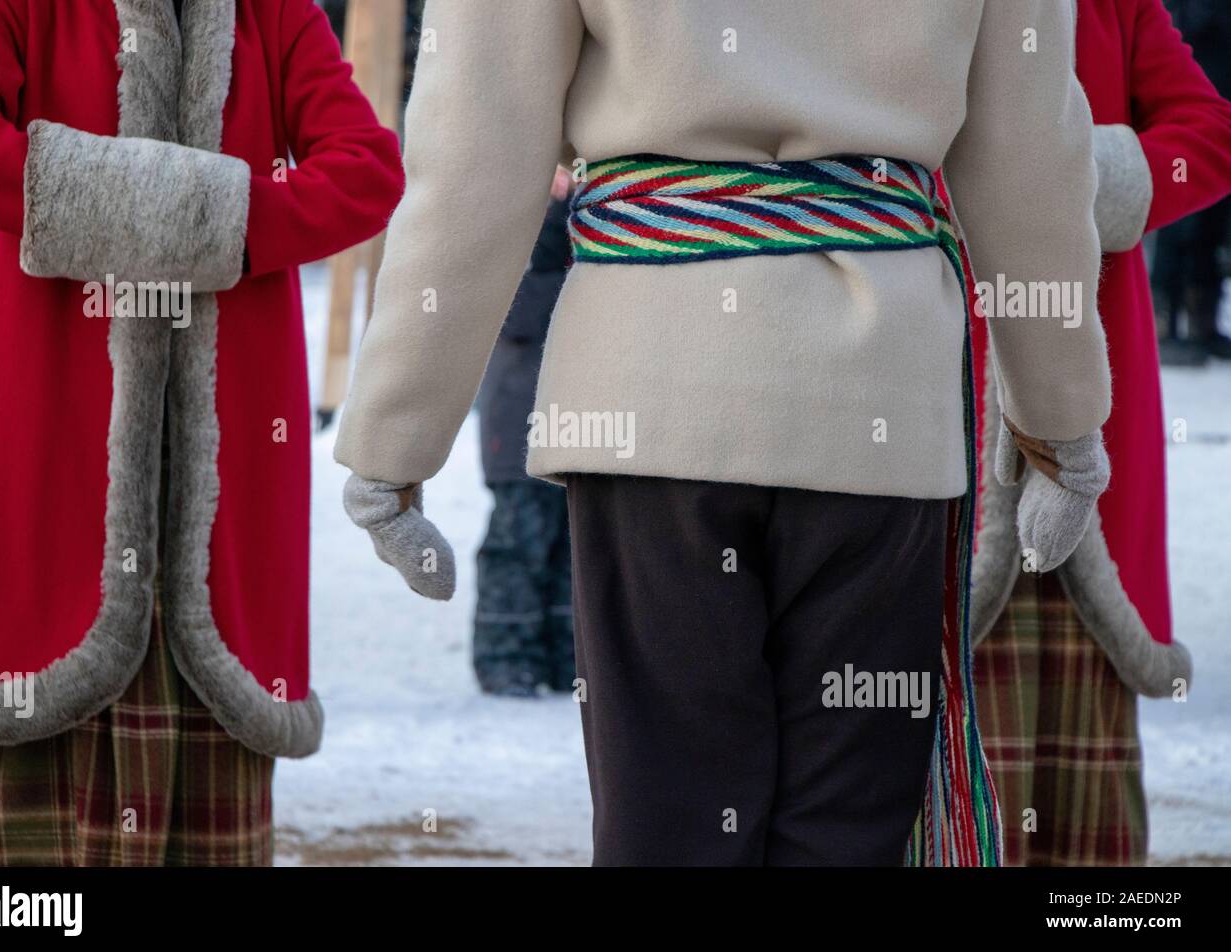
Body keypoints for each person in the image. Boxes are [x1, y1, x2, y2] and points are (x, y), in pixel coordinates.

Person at [334, 0, 1111, 866]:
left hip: (652, 401)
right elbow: (1029, 157)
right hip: (876, 412)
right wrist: (1059, 418)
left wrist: (393, 441)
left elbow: (474, 156)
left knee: (671, 831)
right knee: (847, 835)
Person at [0, 0, 403, 866]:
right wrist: (159, 205)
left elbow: (367, 173)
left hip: (222, 496)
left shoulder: (277, 14)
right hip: (49, 459)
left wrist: (208, 218)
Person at [971, 0, 1231, 866]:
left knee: (1088, 836)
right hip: (937, 421)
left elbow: (1209, 137)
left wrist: (1079, 180)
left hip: (1088, 425)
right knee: (943, 778)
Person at [473, 169, 574, 697]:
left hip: (577, 432)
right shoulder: (517, 248)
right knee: (518, 544)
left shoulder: (576, 248)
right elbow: (525, 311)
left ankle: (567, 659)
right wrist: (552, 212)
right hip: (518, 428)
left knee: (573, 547)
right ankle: (504, 657)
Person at [1150, 0, 1231, 363]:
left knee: (1215, 208)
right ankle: (1165, 321)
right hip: (1197, 54)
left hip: (1219, 60)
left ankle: (1203, 319)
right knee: (1184, 208)